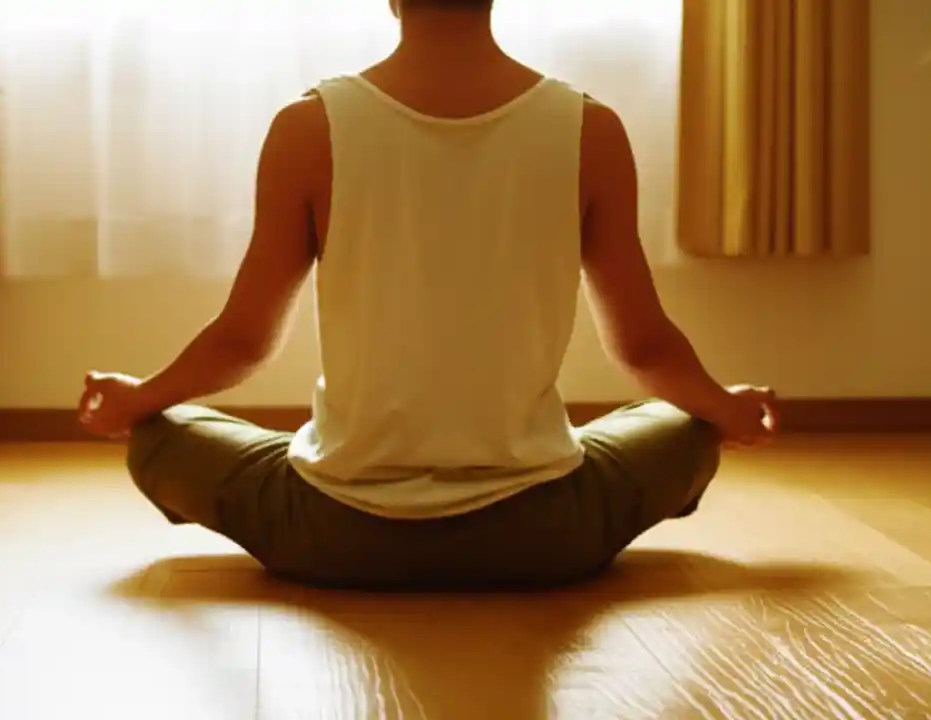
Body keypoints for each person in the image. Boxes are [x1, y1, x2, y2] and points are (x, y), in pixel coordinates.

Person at [78, 0, 779, 590]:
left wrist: (140, 399)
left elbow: (242, 341)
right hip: (545, 535)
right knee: (684, 430)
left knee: (161, 442)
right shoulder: (591, 129)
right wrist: (727, 409)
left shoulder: (308, 127)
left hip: (333, 534)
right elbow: (644, 345)